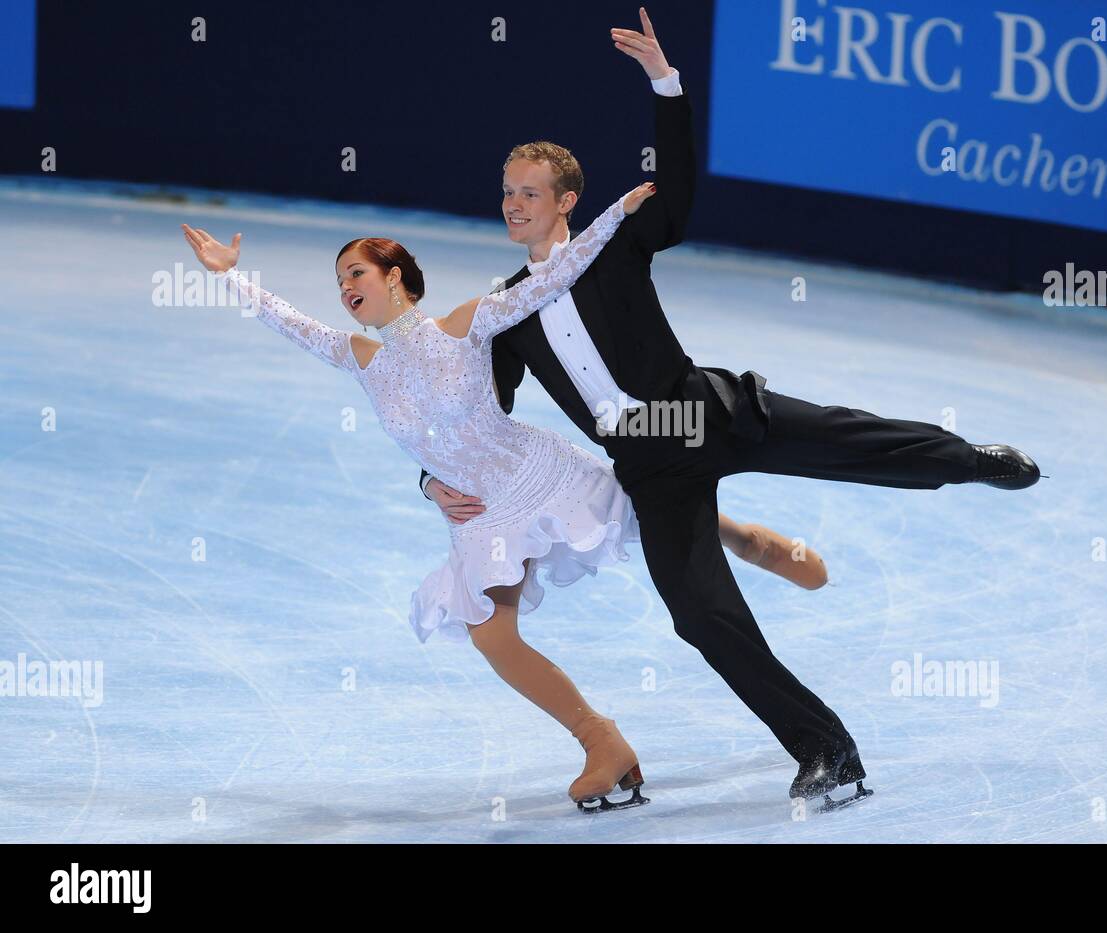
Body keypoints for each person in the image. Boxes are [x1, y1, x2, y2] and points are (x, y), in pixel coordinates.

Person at [418, 8, 1043, 810]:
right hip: (650, 463)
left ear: (566, 200)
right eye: (506, 192)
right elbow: (480, 413)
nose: (512, 204)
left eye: (528, 192)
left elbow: (675, 196)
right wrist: (433, 476)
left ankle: (969, 461)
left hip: (703, 409)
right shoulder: (506, 309)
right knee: (701, 614)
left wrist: (665, 85)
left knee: (852, 439)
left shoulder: (612, 243)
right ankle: (827, 748)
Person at [180, 181, 829, 814]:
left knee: (669, 524)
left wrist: (613, 218)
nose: (346, 288)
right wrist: (229, 275)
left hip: (537, 475)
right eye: (339, 281)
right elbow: (290, 324)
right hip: (482, 514)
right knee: (492, 634)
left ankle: (750, 539)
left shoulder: (465, 323)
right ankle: (602, 742)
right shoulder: (360, 358)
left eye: (357, 272)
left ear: (397, 277)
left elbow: (551, 277)